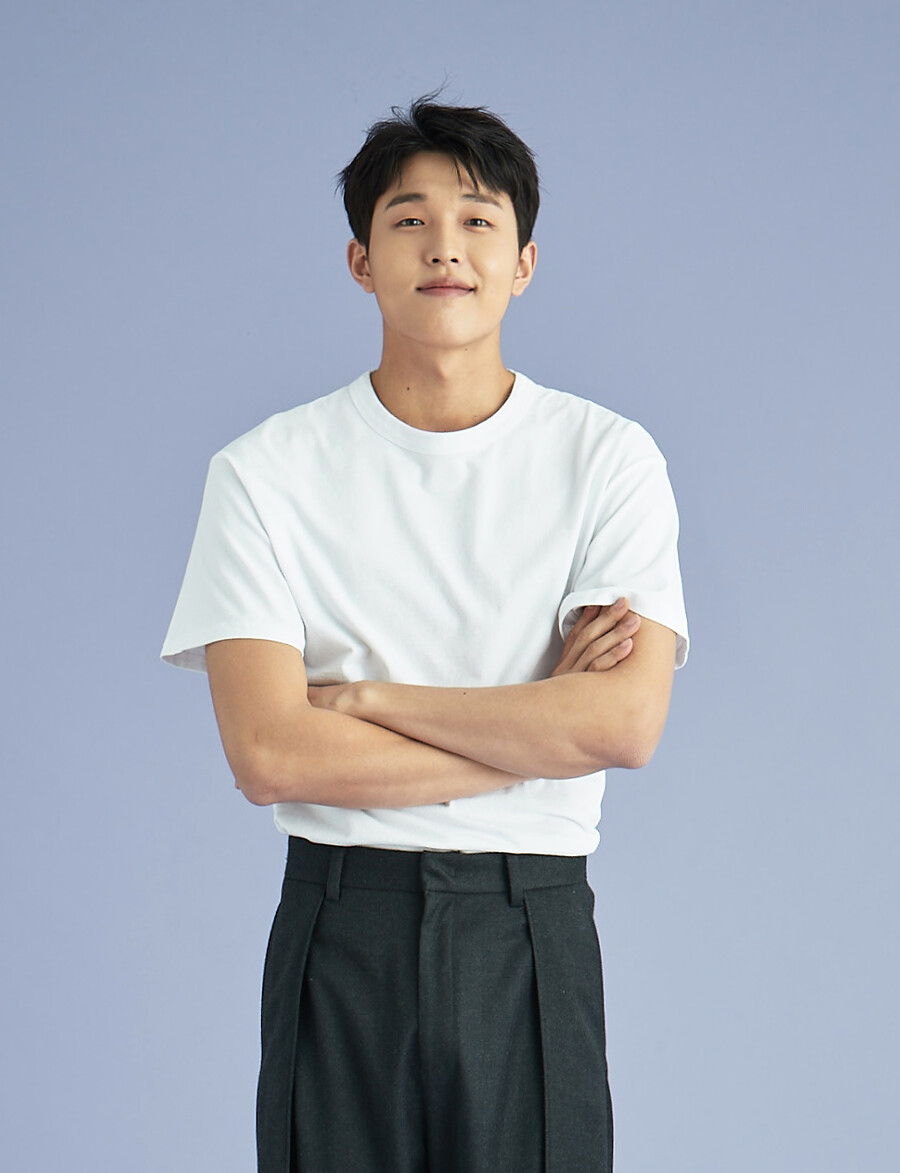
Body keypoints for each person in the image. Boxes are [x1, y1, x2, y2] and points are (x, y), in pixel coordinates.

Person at [160, 94, 689, 1173]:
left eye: (478, 220)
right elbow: (268, 755)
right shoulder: (264, 473)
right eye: (409, 220)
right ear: (361, 261)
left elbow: (623, 727)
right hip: (340, 922)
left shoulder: (608, 459)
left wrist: (368, 700)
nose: (446, 247)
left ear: (524, 263)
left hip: (530, 924)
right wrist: (536, 728)